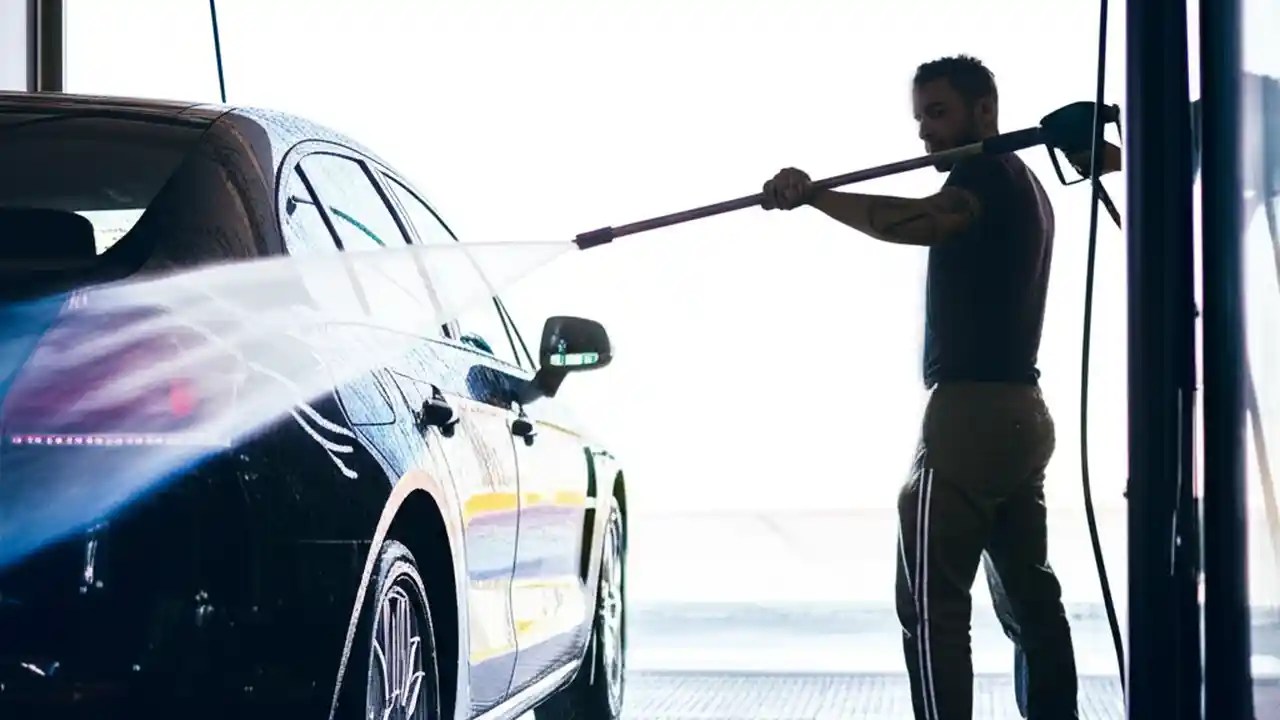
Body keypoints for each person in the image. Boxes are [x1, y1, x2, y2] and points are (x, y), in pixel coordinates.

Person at [761, 55, 1078, 720]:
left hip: (971, 420)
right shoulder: (1025, 183)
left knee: (930, 606)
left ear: (985, 110)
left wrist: (815, 196)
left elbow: (926, 222)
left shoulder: (984, 171)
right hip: (1025, 416)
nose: (925, 134)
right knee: (1030, 598)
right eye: (921, 118)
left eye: (938, 113)